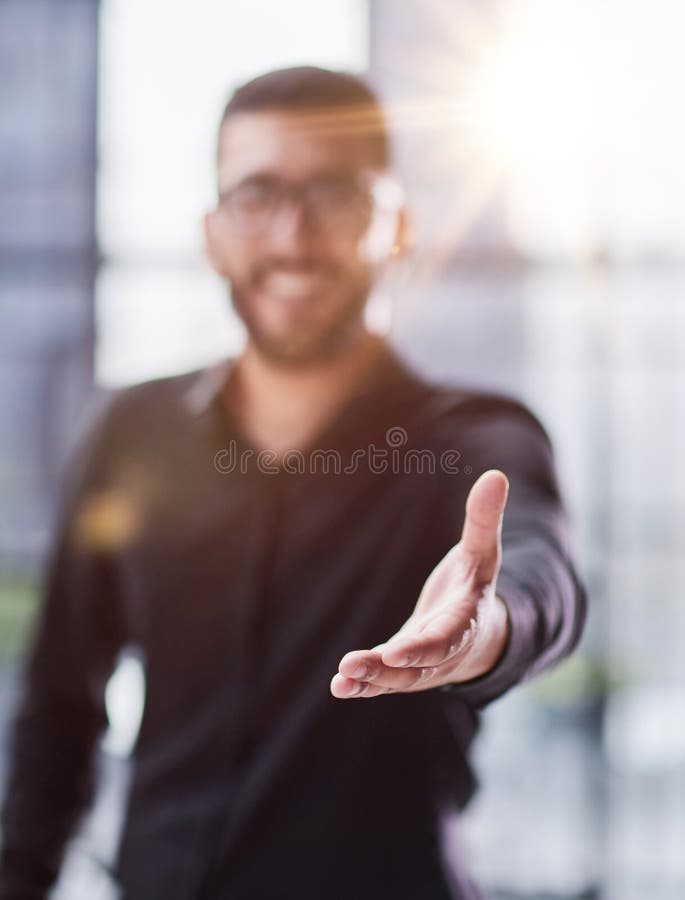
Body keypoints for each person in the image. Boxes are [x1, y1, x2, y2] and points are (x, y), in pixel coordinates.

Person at [0, 66, 586, 900]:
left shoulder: (471, 436)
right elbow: (59, 703)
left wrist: (484, 626)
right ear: (213, 234)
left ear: (396, 227)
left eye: (334, 195)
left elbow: (539, 576)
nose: (292, 234)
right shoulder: (127, 434)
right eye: (256, 196)